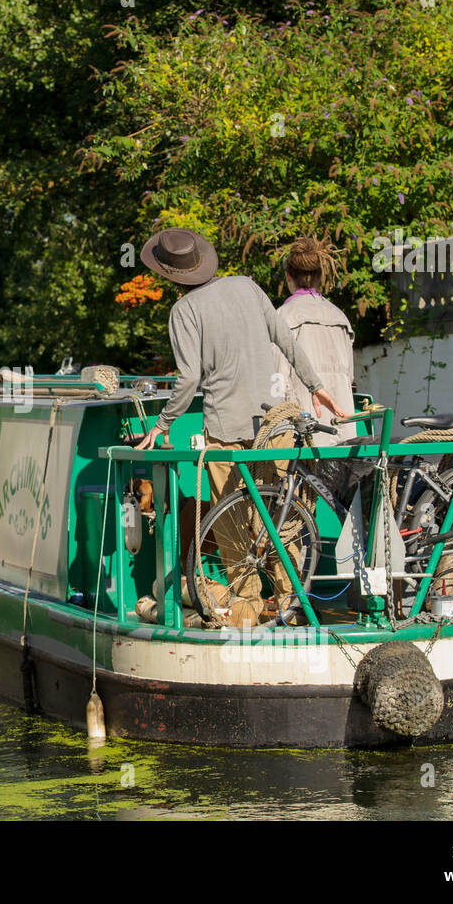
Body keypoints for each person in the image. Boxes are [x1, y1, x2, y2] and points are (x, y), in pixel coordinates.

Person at [133, 228, 345, 626]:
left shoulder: (183, 312)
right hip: (272, 425)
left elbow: (190, 378)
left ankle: (245, 609)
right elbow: (285, 340)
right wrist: (317, 387)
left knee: (229, 525)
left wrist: (163, 423)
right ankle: (291, 604)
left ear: (169, 275)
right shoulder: (248, 288)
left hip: (225, 433)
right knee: (281, 518)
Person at [273, 237, 355, 448]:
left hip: (303, 429)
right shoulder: (340, 317)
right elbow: (350, 377)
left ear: (288, 276)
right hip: (344, 426)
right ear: (320, 276)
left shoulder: (283, 317)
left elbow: (276, 380)